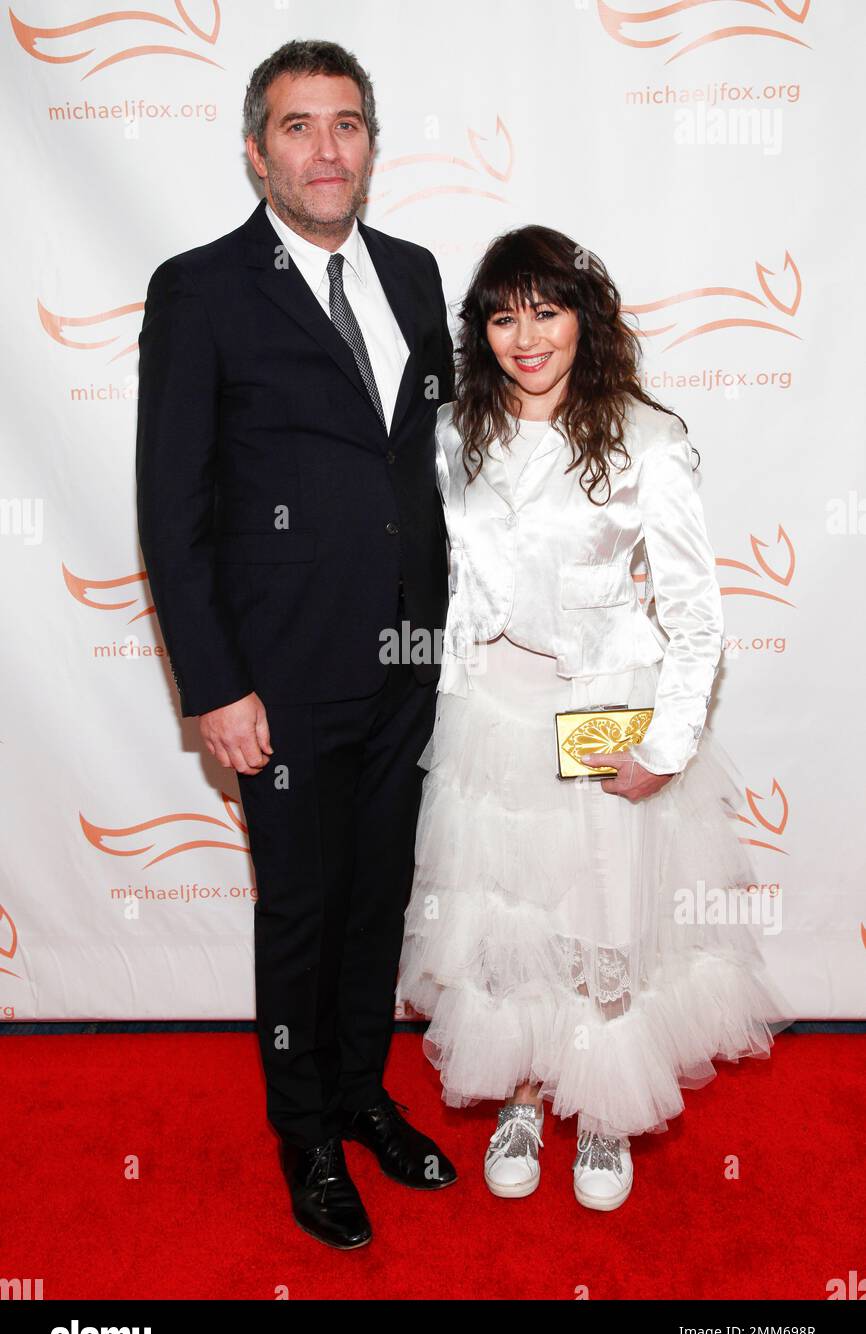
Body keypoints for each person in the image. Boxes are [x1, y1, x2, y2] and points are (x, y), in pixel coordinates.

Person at [398, 224, 793, 1211]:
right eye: (500, 314)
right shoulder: (458, 434)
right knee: (506, 921)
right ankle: (526, 1092)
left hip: (599, 705)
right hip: (490, 707)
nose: (522, 335)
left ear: (585, 317)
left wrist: (664, 744)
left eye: (545, 309)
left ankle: (606, 1110)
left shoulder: (645, 437)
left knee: (603, 912)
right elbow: (436, 573)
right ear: (478, 328)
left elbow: (694, 611)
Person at [136, 39, 457, 1251]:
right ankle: (305, 1130)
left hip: (410, 665)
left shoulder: (420, 275)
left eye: (345, 124)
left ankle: (366, 1092)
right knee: (304, 910)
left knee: (380, 899)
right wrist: (214, 687)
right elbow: (173, 507)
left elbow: (424, 474)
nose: (325, 149)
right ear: (256, 149)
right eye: (296, 126)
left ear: (371, 142)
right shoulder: (200, 288)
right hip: (280, 680)